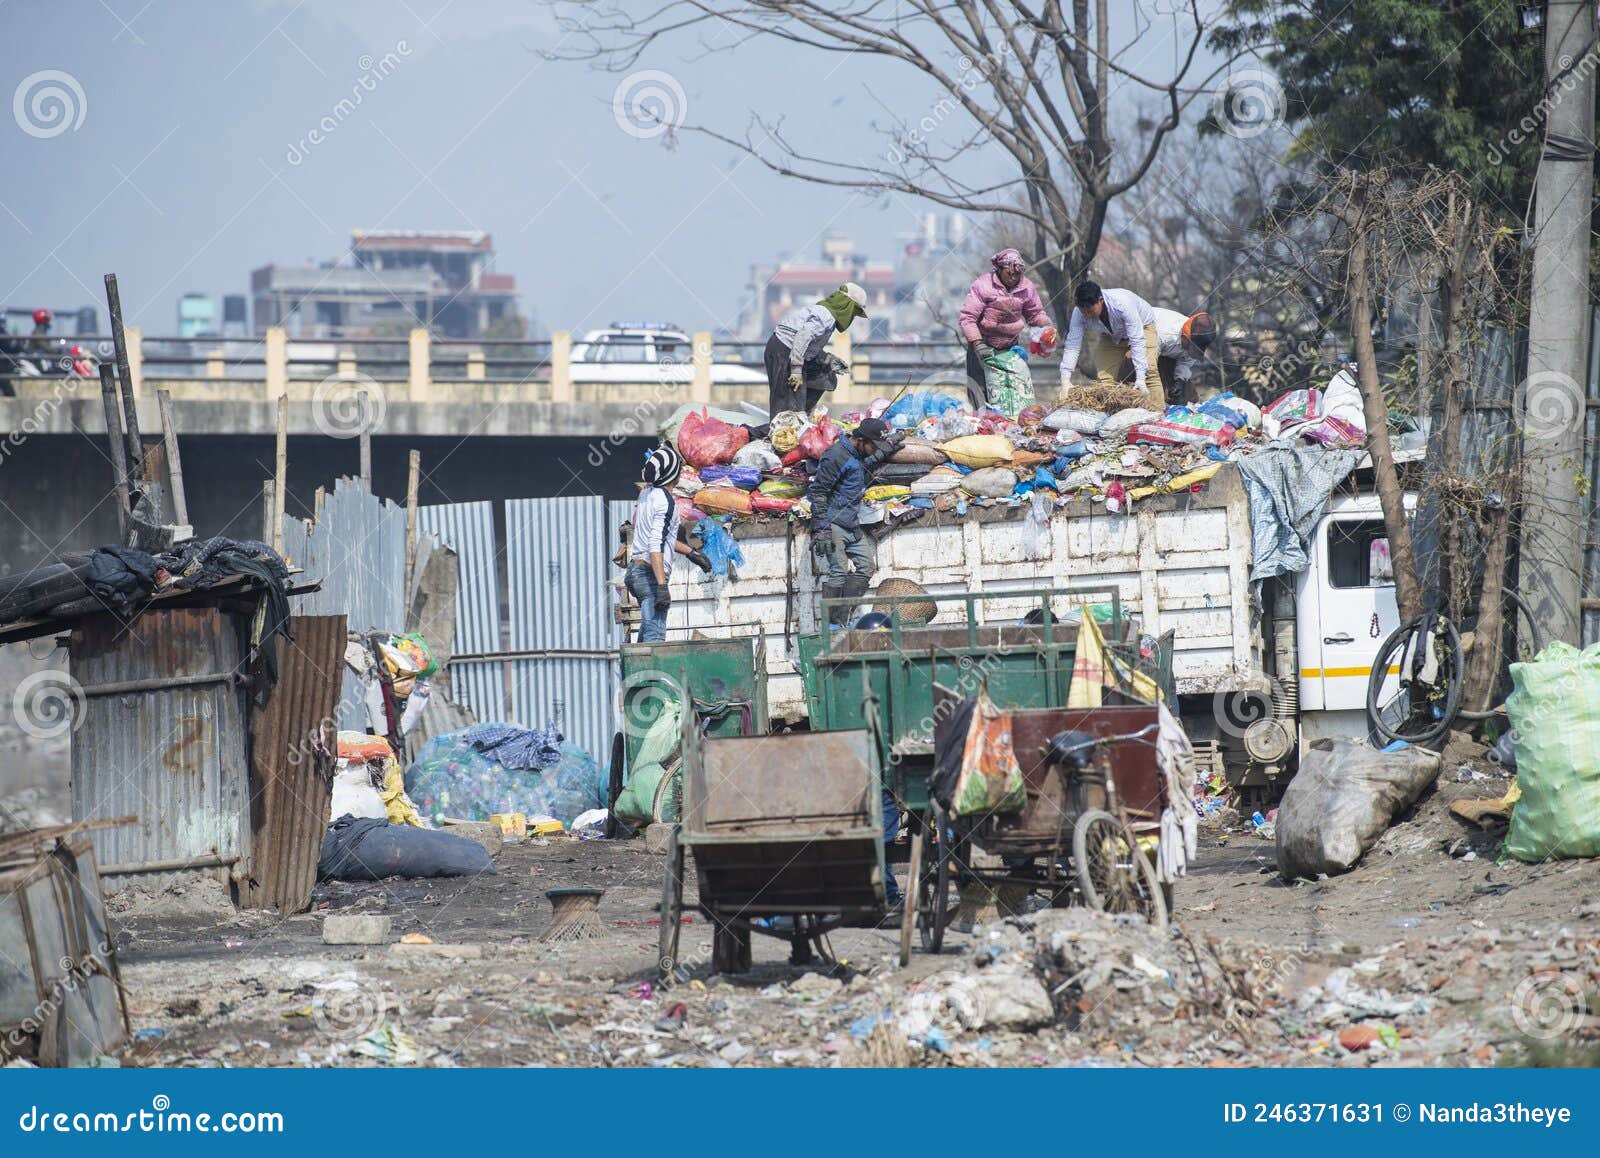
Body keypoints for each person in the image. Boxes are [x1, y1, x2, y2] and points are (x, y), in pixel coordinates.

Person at [807, 416, 897, 629]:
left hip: (851, 523)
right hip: (833, 523)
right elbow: (818, 492)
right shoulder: (835, 455)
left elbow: (866, 464)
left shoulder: (856, 455)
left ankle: (842, 617)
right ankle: (831, 627)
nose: (875, 450)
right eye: (874, 446)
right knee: (838, 573)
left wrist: (889, 447)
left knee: (866, 566)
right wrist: (821, 528)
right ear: (861, 440)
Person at [622, 444, 708, 644]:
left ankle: (637, 668)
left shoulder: (646, 494)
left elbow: (664, 537)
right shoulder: (665, 502)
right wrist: (661, 586)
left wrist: (691, 553)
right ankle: (646, 674)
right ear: (674, 475)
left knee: (647, 634)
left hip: (635, 572)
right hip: (648, 575)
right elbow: (655, 544)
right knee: (655, 640)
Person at [959, 248, 1052, 408]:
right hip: (982, 346)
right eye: (1009, 273)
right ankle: (983, 423)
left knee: (1013, 389)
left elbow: (1035, 313)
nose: (1013, 278)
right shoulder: (983, 285)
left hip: (1009, 348)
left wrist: (1046, 327)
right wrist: (977, 344)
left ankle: (1012, 422)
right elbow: (968, 318)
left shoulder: (1027, 288)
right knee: (980, 391)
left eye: (1017, 274)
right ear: (999, 269)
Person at [764, 282, 869, 422]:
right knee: (785, 400)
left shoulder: (826, 317)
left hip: (791, 351)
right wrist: (796, 370)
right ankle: (784, 430)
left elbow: (809, 346)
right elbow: (802, 338)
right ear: (847, 306)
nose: (853, 317)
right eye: (854, 312)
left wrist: (828, 359)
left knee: (824, 373)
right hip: (783, 351)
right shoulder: (825, 316)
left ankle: (801, 414)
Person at [1061, 282, 1165, 411]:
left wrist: (1140, 378)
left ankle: (1157, 412)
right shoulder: (1079, 312)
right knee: (1104, 378)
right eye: (1084, 312)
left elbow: (1137, 339)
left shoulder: (1122, 304)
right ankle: (1108, 414)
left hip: (1143, 328)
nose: (1087, 315)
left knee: (1149, 371)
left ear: (1100, 300)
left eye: (1090, 311)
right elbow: (1073, 343)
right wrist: (1065, 378)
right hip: (1111, 335)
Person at [1152, 308, 1216, 405]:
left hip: (1164, 353)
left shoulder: (1197, 338)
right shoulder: (1164, 333)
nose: (1191, 351)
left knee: (1186, 394)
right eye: (1192, 347)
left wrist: (1180, 381)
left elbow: (1185, 362)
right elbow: (1148, 364)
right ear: (1185, 336)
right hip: (1136, 341)